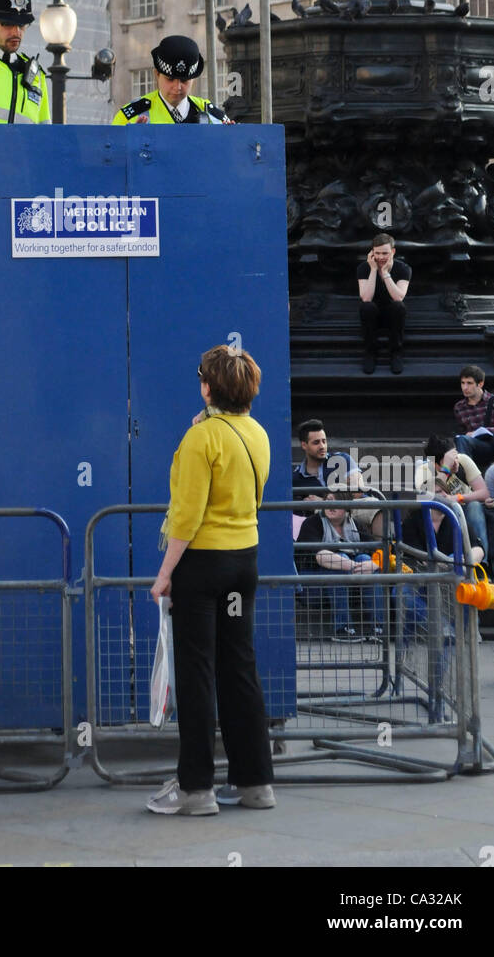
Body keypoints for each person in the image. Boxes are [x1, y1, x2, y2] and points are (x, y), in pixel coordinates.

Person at [147, 346, 274, 817]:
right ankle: (255, 782)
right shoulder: (257, 433)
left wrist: (165, 576)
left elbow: (186, 515)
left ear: (207, 387)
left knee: (197, 673)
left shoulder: (201, 439)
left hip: (202, 566)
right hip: (245, 562)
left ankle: (196, 788)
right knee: (239, 667)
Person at [294, 491, 384, 639]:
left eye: (338, 502)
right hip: (312, 584)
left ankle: (378, 628)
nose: (331, 505)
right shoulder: (312, 523)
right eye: (328, 500)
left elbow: (378, 551)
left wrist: (373, 564)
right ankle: (343, 628)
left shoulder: (357, 526)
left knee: (365, 558)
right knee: (340, 561)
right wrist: (353, 565)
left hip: (350, 581)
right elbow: (320, 556)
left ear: (347, 508)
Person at [113, 36, 233, 124]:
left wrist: (230, 137)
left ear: (193, 79)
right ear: (157, 74)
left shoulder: (211, 115)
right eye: (170, 79)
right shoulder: (131, 116)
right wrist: (131, 142)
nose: (177, 87)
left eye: (184, 80)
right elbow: (111, 154)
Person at [415, 436, 492, 570]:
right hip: (441, 516)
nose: (455, 463)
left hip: (466, 509)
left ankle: (481, 565)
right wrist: (445, 469)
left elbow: (484, 493)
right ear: (436, 464)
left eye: (455, 457)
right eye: (450, 460)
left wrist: (457, 498)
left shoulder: (463, 461)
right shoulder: (424, 469)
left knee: (474, 507)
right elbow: (427, 497)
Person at [356, 232, 411, 373]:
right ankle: (370, 352)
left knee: (399, 306)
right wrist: (374, 270)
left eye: (385, 253)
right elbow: (366, 297)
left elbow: (399, 297)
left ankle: (396, 353)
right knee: (367, 307)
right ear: (372, 252)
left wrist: (386, 273)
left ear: (393, 252)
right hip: (372, 316)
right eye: (377, 253)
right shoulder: (364, 268)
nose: (380, 257)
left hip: (393, 316)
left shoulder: (403, 269)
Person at [453, 365, 494, 473]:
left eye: (469, 383)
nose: (465, 387)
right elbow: (463, 433)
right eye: (462, 383)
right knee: (461, 439)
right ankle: (465, 479)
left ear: (480, 384)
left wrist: (487, 431)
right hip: (479, 447)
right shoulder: (459, 407)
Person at [292, 419, 362, 496]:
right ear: (304, 445)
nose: (322, 446)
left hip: (361, 507)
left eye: (324, 441)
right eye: (316, 443)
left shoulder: (343, 459)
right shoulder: (297, 477)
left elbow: (358, 492)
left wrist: (322, 502)